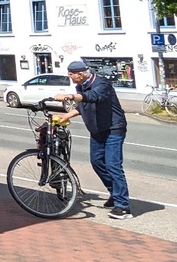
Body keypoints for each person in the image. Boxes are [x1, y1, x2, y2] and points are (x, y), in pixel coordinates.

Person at [54, 60, 132, 219]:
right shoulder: (80, 86)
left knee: (113, 165)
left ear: (80, 74)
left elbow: (93, 97)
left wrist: (69, 96)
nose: (70, 78)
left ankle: (123, 206)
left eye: (71, 75)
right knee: (97, 162)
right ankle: (115, 194)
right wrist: (67, 115)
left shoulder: (102, 83)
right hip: (97, 131)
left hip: (113, 129)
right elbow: (83, 105)